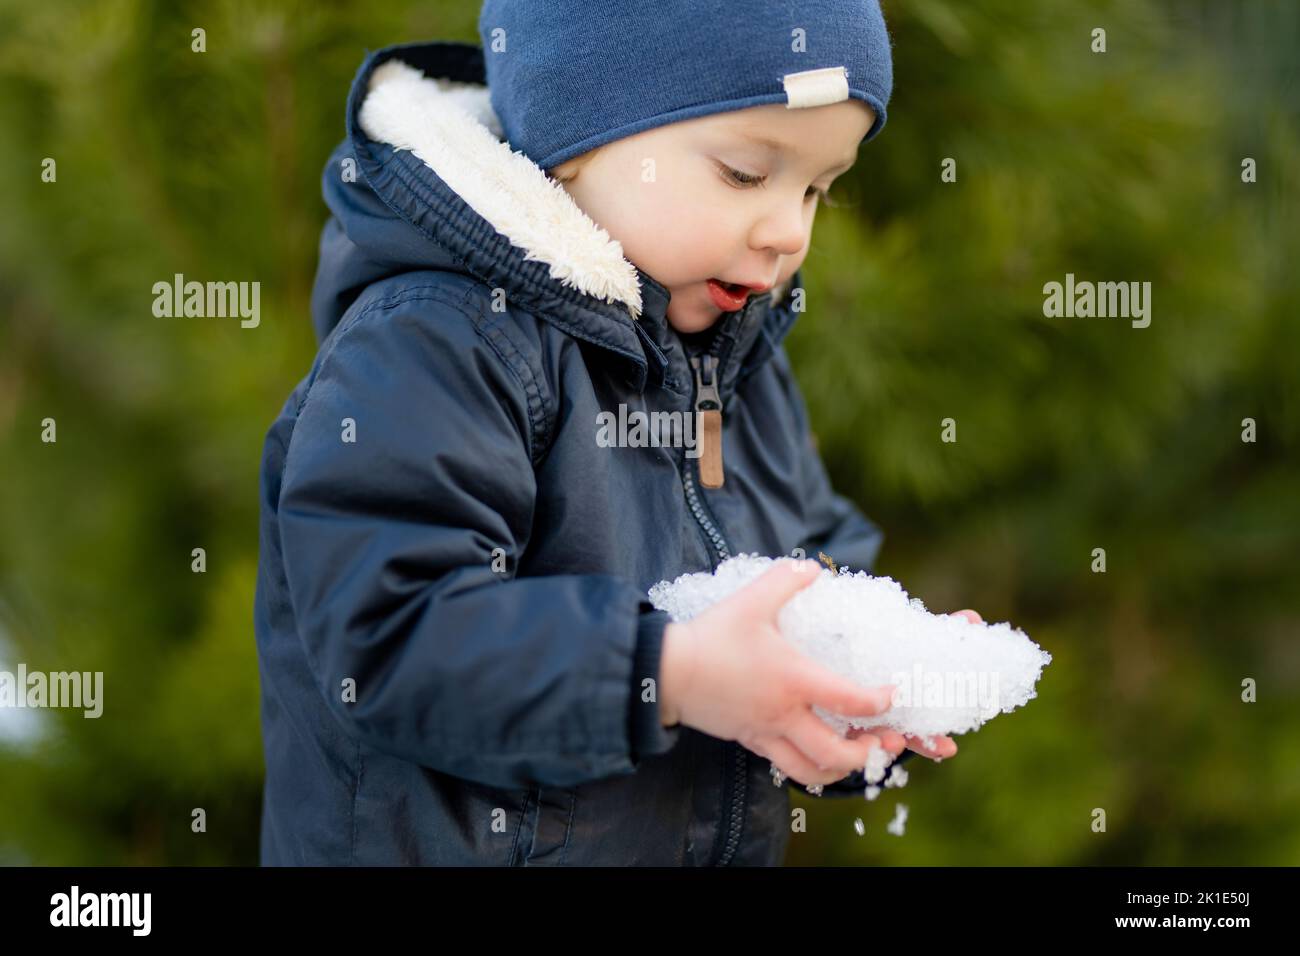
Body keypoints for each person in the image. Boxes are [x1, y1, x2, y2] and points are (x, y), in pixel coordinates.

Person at [254, 0, 971, 866]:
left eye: (819, 188)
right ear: (577, 140)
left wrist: (853, 677)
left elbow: (809, 550)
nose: (790, 230)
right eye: (746, 174)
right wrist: (669, 675)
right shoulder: (438, 344)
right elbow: (391, 637)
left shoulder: (731, 361)